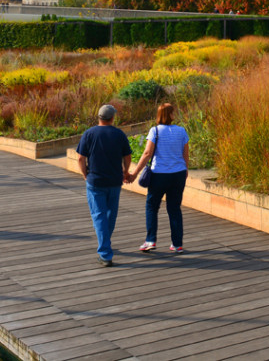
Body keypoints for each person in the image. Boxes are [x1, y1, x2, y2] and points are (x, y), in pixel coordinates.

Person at [127, 102, 191, 254]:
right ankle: (177, 244)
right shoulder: (182, 131)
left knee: (152, 207)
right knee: (174, 208)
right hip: (178, 175)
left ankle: (150, 240)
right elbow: (185, 153)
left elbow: (147, 153)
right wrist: (185, 169)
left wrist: (134, 173)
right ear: (170, 115)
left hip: (159, 175)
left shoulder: (154, 131)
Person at [76, 104, 132, 267]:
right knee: (110, 215)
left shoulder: (89, 134)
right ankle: (106, 243)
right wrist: (125, 171)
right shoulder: (119, 134)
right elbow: (127, 156)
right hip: (114, 181)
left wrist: (85, 174)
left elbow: (80, 158)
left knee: (99, 215)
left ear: (99, 117)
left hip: (95, 181)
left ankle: (105, 253)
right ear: (112, 117)